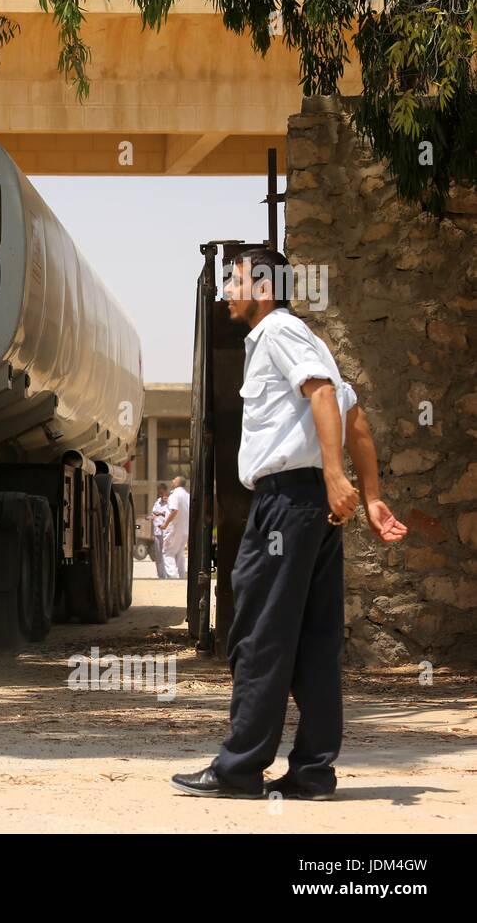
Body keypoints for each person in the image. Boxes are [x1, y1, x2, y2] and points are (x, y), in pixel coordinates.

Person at [171, 247, 407, 801]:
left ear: (264, 287)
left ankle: (240, 768)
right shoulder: (306, 338)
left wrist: (333, 475)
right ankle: (313, 772)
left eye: (234, 279)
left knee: (259, 635)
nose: (226, 290)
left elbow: (325, 396)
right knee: (313, 642)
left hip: (288, 504)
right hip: (312, 507)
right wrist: (368, 496)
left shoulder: (278, 332)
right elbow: (356, 416)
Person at [161, 476, 190, 578]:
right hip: (185, 530)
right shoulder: (187, 495)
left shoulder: (174, 494)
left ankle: (173, 577)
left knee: (168, 552)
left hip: (175, 528)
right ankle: (181, 577)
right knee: (179, 553)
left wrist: (165, 524)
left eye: (174, 479)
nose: (172, 481)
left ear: (178, 483)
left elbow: (174, 510)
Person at [148, 483, 170, 579]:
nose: (160, 494)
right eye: (159, 492)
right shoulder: (157, 502)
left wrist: (161, 513)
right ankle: (160, 576)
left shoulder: (170, 502)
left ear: (165, 491)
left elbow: (172, 515)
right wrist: (150, 517)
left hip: (167, 532)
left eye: (161, 491)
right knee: (158, 555)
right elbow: (154, 514)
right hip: (157, 532)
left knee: (166, 555)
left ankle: (167, 575)